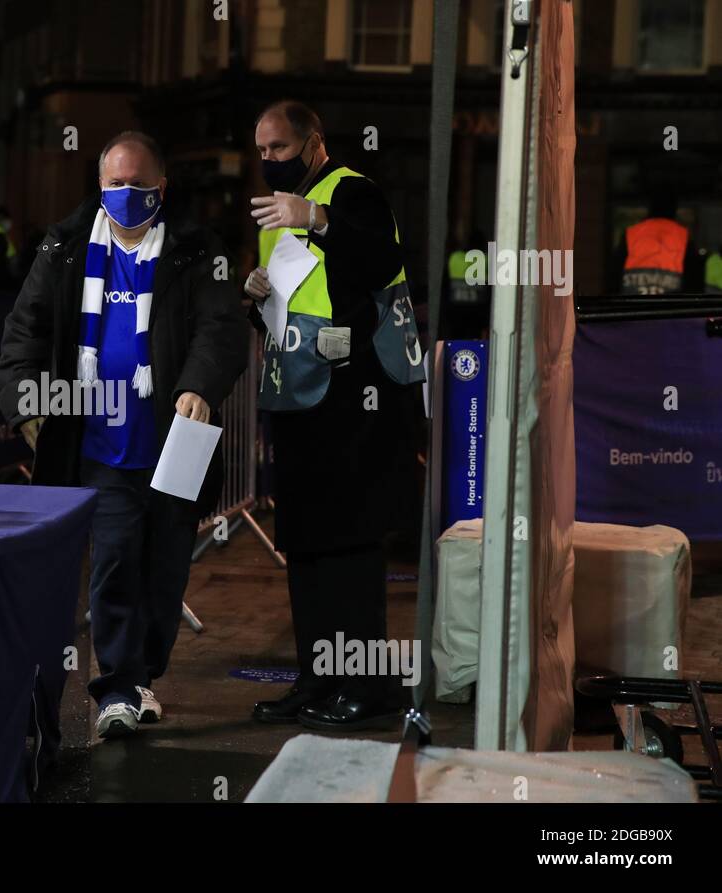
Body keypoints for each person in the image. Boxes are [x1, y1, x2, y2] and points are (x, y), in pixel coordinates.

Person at [0, 131, 246, 739]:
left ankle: (140, 676)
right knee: (111, 563)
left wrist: (198, 386)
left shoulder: (195, 250)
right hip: (98, 447)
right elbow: (24, 330)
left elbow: (220, 329)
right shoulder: (64, 246)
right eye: (115, 183)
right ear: (99, 185)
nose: (126, 194)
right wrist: (26, 401)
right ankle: (117, 687)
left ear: (163, 186)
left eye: (138, 184)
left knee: (163, 573)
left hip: (171, 445)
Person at [243, 100, 424, 732]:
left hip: (353, 402)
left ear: (314, 143)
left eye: (280, 149)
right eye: (261, 151)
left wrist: (315, 217)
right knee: (308, 549)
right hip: (298, 400)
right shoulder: (277, 215)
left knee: (349, 548)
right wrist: (256, 298)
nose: (269, 161)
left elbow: (380, 261)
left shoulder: (351, 194)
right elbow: (297, 305)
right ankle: (316, 680)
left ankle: (369, 687)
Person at [612, 194, 704, 295]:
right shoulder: (682, 235)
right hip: (670, 307)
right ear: (674, 210)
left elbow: (614, 273)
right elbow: (695, 277)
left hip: (633, 306)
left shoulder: (632, 233)